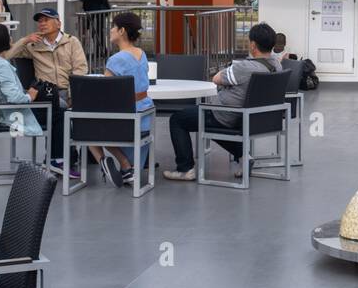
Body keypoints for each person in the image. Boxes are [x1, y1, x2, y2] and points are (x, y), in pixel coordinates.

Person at [164, 22, 280, 181]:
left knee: (177, 119)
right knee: (210, 123)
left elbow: (217, 78)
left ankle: (185, 169)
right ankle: (244, 156)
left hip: (224, 114)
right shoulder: (276, 65)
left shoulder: (245, 67)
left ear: (253, 45)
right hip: (248, 117)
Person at [5, 8, 88, 174]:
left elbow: (80, 69)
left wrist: (73, 94)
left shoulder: (72, 42)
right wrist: (24, 40)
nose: (42, 24)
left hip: (68, 90)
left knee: (83, 109)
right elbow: (7, 56)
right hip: (47, 93)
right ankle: (61, 159)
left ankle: (64, 157)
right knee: (62, 112)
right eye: (40, 21)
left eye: (46, 20)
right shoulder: (33, 45)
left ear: (58, 22)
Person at [85, 12, 153, 188]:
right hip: (144, 117)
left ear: (122, 31)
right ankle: (126, 169)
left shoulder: (116, 60)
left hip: (127, 121)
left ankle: (111, 162)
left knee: (85, 123)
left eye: (113, 27)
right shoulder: (141, 54)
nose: (110, 31)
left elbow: (105, 92)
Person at [0, 24, 43, 137]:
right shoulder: (2, 66)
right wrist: (29, 96)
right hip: (13, 116)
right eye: (8, 36)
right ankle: (60, 154)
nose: (11, 38)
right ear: (5, 42)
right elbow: (14, 98)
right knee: (58, 110)